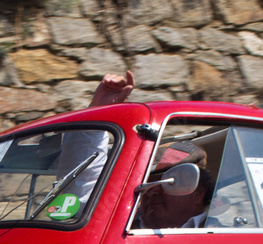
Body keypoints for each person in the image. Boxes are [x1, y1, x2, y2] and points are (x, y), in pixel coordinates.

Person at [88, 71, 216, 230]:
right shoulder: (116, 230)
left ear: (198, 193)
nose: (151, 191)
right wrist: (98, 110)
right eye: (146, 183)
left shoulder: (224, 237)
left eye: (169, 182)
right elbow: (85, 192)